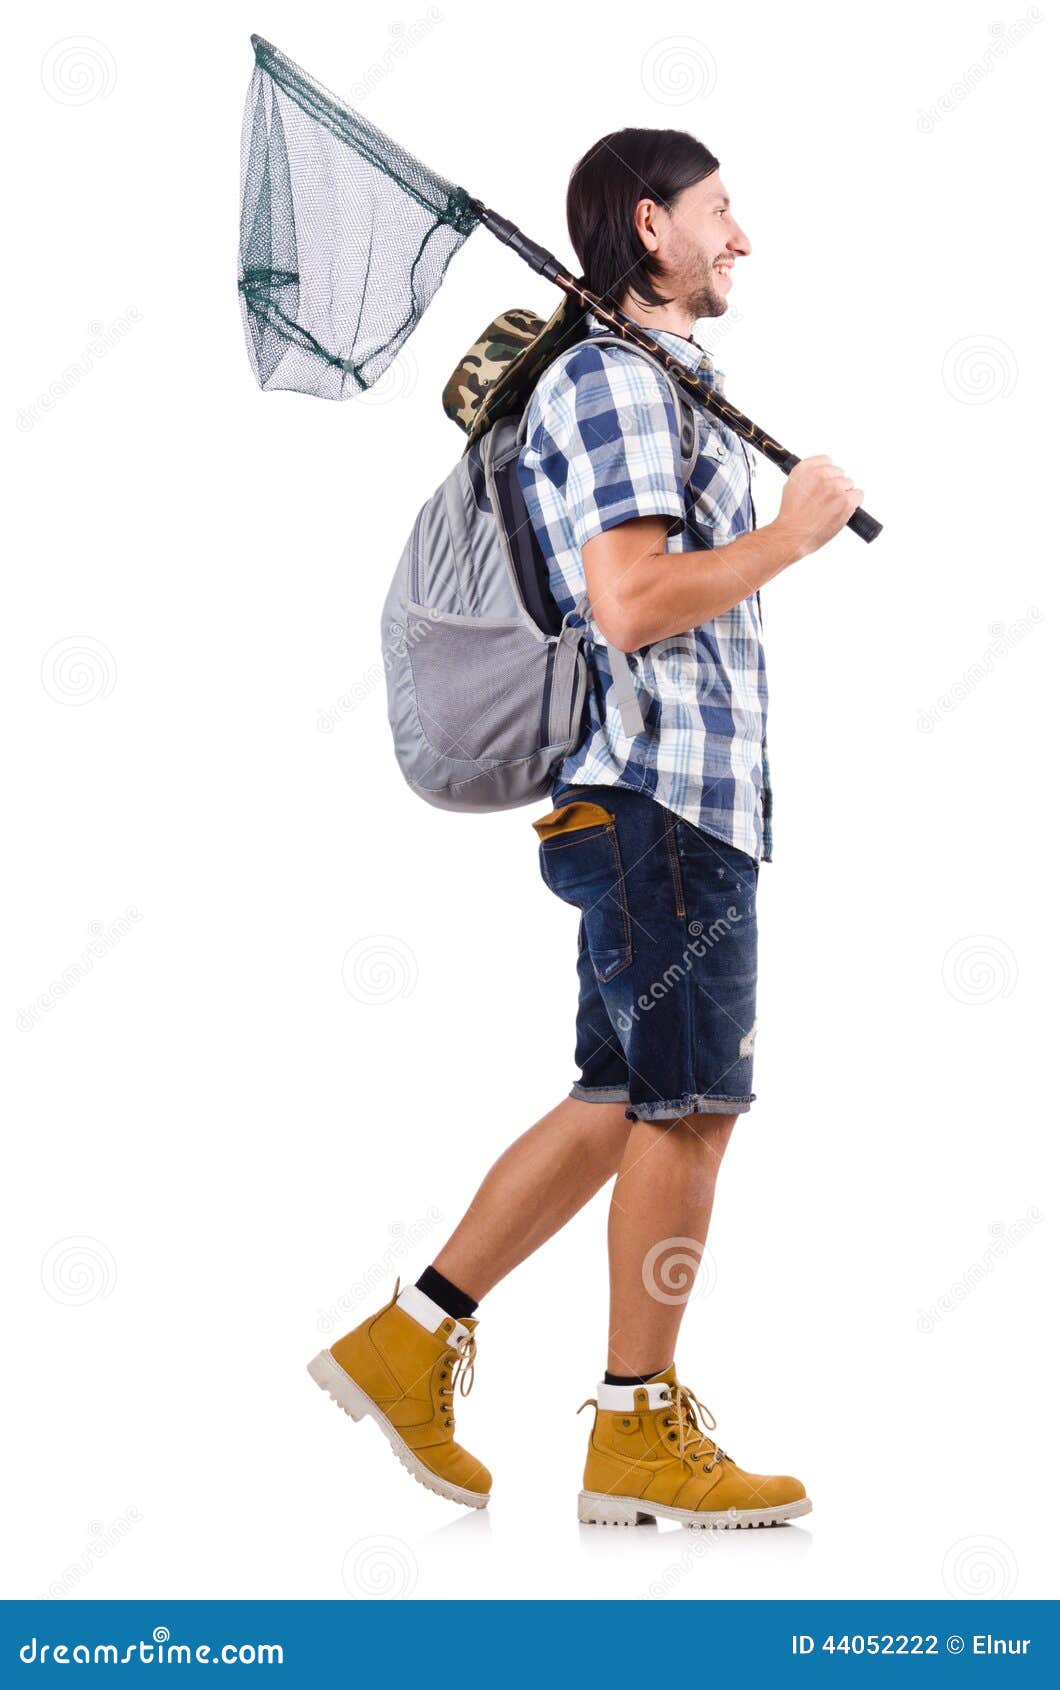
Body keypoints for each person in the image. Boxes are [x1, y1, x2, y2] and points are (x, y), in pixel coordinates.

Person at [308, 128, 863, 1529]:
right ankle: (633, 1430)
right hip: (663, 808)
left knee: (621, 1098)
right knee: (690, 1111)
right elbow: (628, 602)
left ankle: (407, 1339)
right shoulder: (614, 383)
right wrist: (793, 535)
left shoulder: (652, 380)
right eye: (721, 211)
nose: (742, 237)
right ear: (648, 225)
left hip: (658, 807)